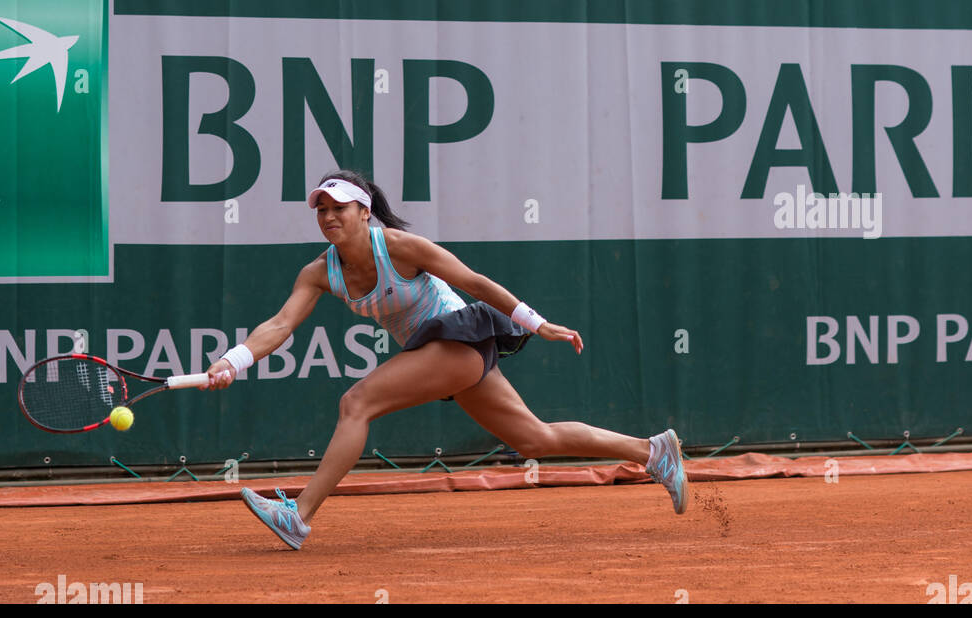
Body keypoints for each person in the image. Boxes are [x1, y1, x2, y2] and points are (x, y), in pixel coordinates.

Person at [217, 168, 688, 544]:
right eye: (321, 209)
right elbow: (279, 325)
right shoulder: (319, 272)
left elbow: (474, 282)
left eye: (338, 207)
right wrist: (232, 361)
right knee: (534, 439)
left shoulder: (401, 248)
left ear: (364, 212)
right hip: (440, 353)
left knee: (356, 403)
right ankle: (652, 452)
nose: (328, 216)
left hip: (459, 338)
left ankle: (298, 515)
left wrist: (537, 323)